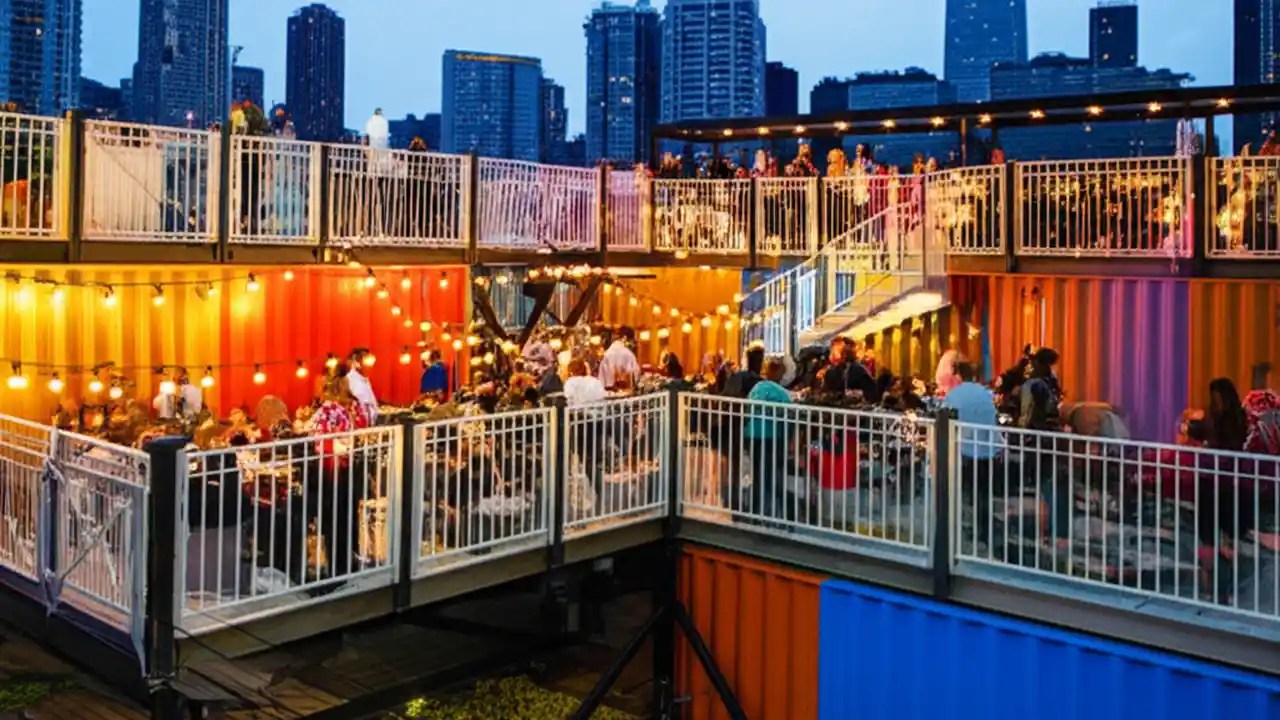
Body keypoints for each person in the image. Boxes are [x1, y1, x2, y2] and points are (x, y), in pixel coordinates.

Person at [944, 362, 1001, 553]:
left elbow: (946, 419)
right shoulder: (986, 393)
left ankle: (964, 532)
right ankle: (984, 532)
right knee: (983, 493)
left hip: (965, 449)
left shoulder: (954, 395)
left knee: (964, 493)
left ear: (958, 375)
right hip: (988, 449)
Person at [744, 357, 794, 523]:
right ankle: (777, 513)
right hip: (771, 437)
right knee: (773, 476)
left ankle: (756, 512)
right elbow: (789, 416)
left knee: (758, 474)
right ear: (778, 372)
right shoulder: (781, 393)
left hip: (752, 435)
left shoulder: (756, 389)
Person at [599, 327, 641, 391]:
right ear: (625, 338)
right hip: (624, 392)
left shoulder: (607, 353)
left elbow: (601, 378)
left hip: (606, 391)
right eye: (631, 341)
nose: (633, 344)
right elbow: (635, 376)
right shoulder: (628, 354)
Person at [346, 349, 379, 424]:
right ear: (356, 362)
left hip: (369, 422)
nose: (369, 365)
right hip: (357, 423)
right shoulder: (350, 380)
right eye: (366, 362)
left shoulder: (365, 380)